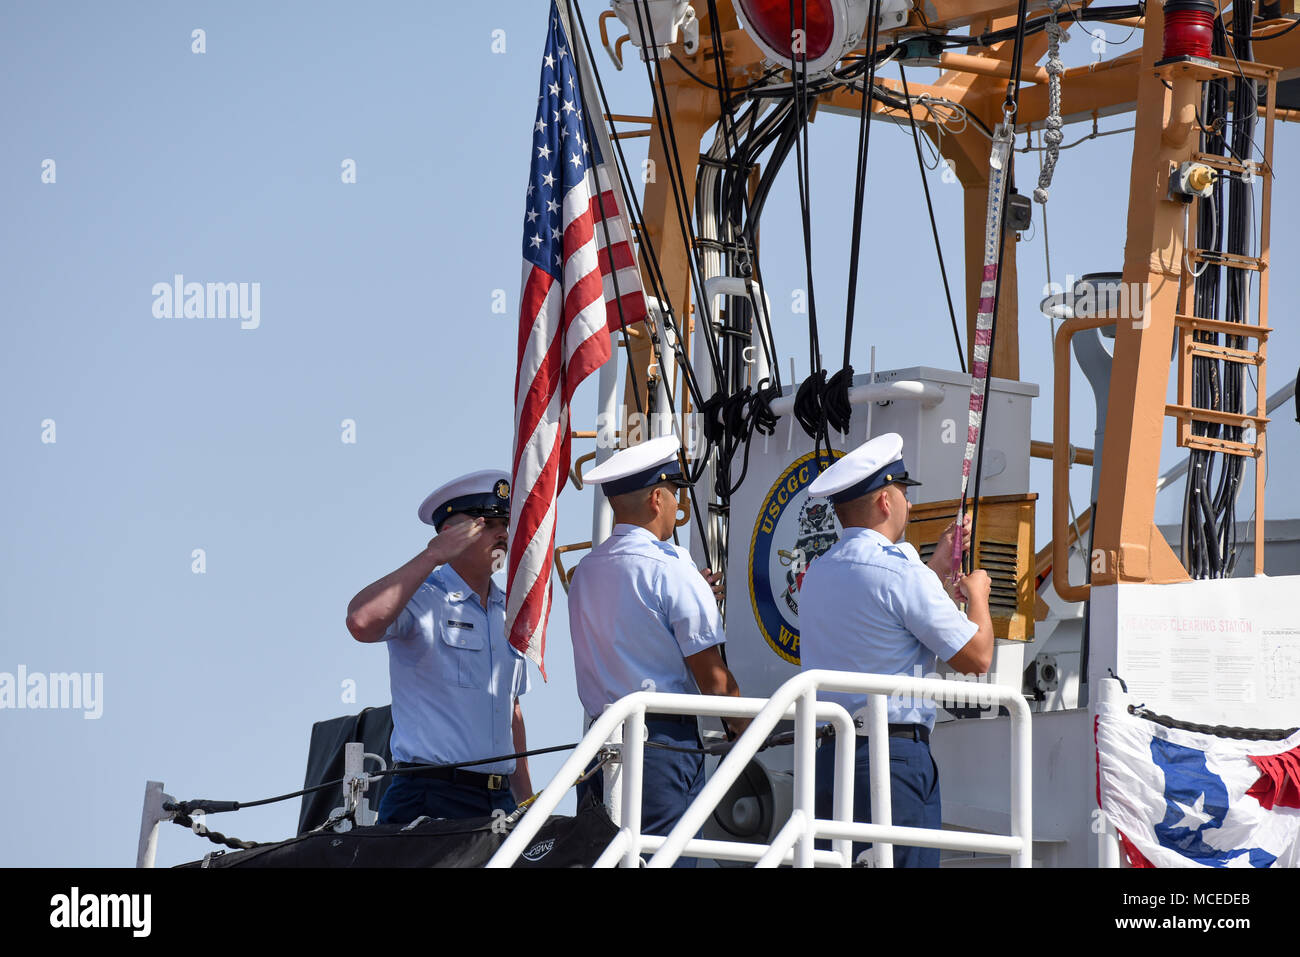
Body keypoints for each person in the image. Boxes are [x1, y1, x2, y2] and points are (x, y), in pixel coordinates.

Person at [798, 432, 993, 868]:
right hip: (892, 762)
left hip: (829, 760)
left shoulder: (818, 574)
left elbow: (884, 612)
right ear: (886, 501)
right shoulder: (902, 572)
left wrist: (936, 566)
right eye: (904, 492)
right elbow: (977, 657)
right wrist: (978, 594)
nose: (908, 502)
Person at [567, 435, 744, 866]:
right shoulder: (672, 565)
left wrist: (690, 588)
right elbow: (714, 679)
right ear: (656, 498)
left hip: (598, 746)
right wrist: (748, 728)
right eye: (675, 493)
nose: (678, 505)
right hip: (661, 747)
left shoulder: (585, 571)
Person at [345, 470, 532, 824]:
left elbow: (513, 712)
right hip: (430, 795)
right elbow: (360, 621)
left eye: (505, 524)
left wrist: (525, 803)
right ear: (449, 533)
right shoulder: (422, 599)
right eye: (487, 524)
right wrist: (433, 556)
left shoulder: (509, 610)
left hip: (498, 800)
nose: (502, 534)